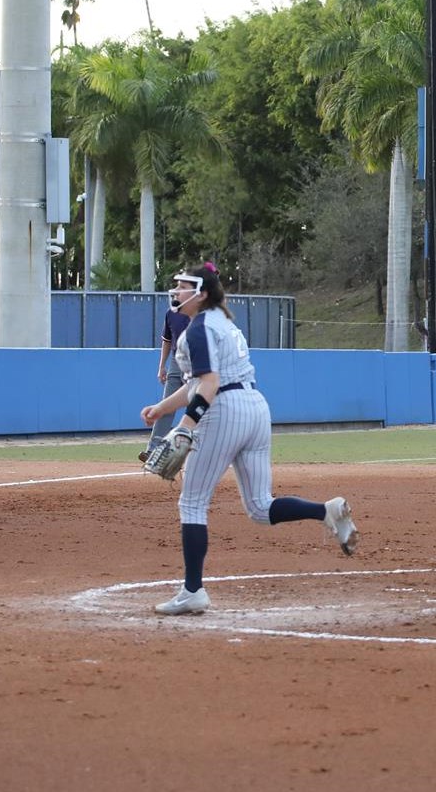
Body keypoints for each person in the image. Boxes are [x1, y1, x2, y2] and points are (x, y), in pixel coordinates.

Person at [140, 261, 356, 616]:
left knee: (192, 503)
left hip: (224, 410)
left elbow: (209, 385)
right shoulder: (223, 322)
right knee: (260, 507)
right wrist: (163, 408)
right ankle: (326, 511)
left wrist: (186, 426)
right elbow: (201, 382)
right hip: (254, 407)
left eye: (183, 286)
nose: (176, 291)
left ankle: (193, 591)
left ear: (201, 293)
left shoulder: (198, 329)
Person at [139, 291, 191, 464]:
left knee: (201, 406)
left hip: (196, 360)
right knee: (166, 405)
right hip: (176, 361)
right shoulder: (171, 313)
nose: (176, 295)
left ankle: (206, 450)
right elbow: (167, 340)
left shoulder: (198, 314)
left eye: (181, 290)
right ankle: (153, 450)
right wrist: (162, 366)